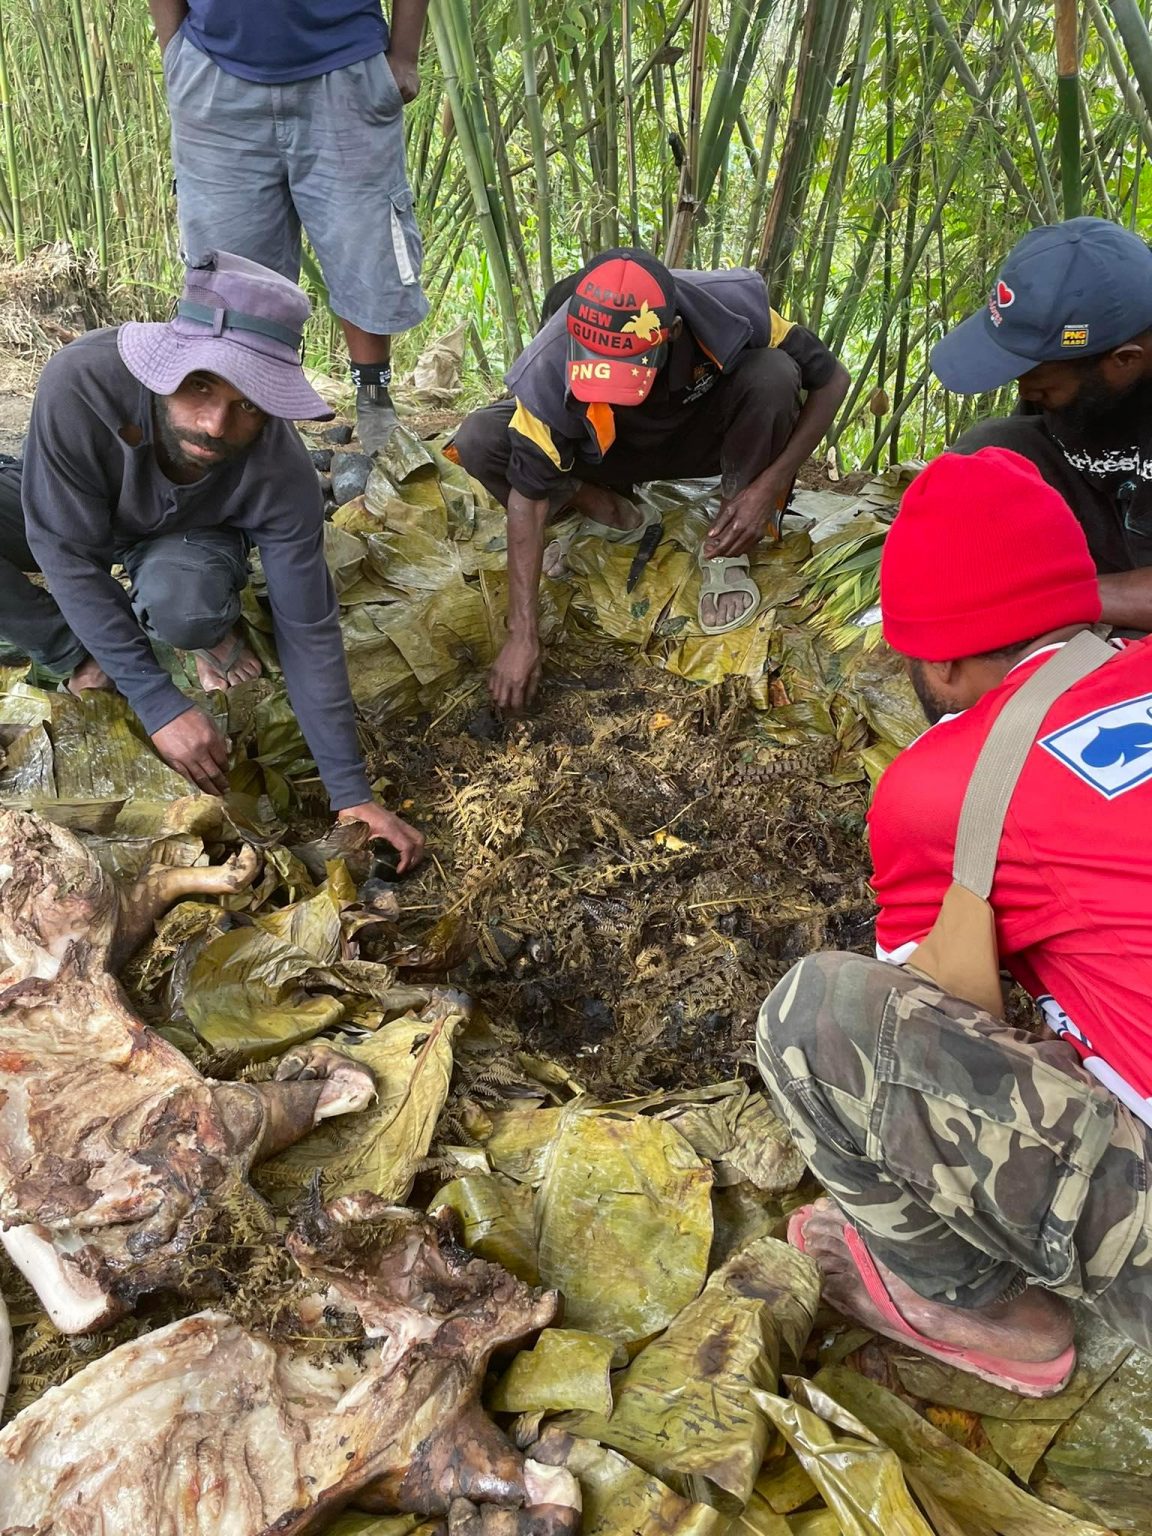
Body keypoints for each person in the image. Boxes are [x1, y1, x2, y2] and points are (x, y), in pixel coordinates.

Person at [756, 448, 1152, 1394]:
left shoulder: (941, 784)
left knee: (817, 1020)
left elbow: (933, 991)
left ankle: (984, 1310)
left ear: (937, 660)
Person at [0, 251, 423, 869]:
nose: (215, 425)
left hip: (184, 535)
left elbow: (307, 628)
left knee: (184, 609)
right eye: (200, 386)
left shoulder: (283, 475)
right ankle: (78, 653)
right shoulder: (81, 381)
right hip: (79, 504)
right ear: (164, 368)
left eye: (248, 404)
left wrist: (348, 792)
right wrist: (156, 699)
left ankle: (204, 630)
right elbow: (62, 550)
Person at [450, 249, 849, 711]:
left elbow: (832, 379)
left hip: (699, 436)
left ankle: (728, 547)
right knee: (480, 438)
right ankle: (599, 505)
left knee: (774, 374)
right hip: (605, 450)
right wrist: (522, 635)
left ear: (673, 333)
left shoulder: (734, 307)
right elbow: (526, 499)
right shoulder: (550, 354)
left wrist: (767, 485)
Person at [148, 0, 429, 454]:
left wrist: (405, 55)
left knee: (364, 242)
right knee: (229, 269)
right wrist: (174, 49)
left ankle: (374, 399)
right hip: (213, 68)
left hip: (346, 65)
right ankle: (252, 410)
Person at [932, 216, 1152, 633]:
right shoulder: (1076, 373)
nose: (1027, 392)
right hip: (1108, 534)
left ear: (1124, 360)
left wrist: (1050, 597)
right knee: (987, 453)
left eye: (1043, 387)